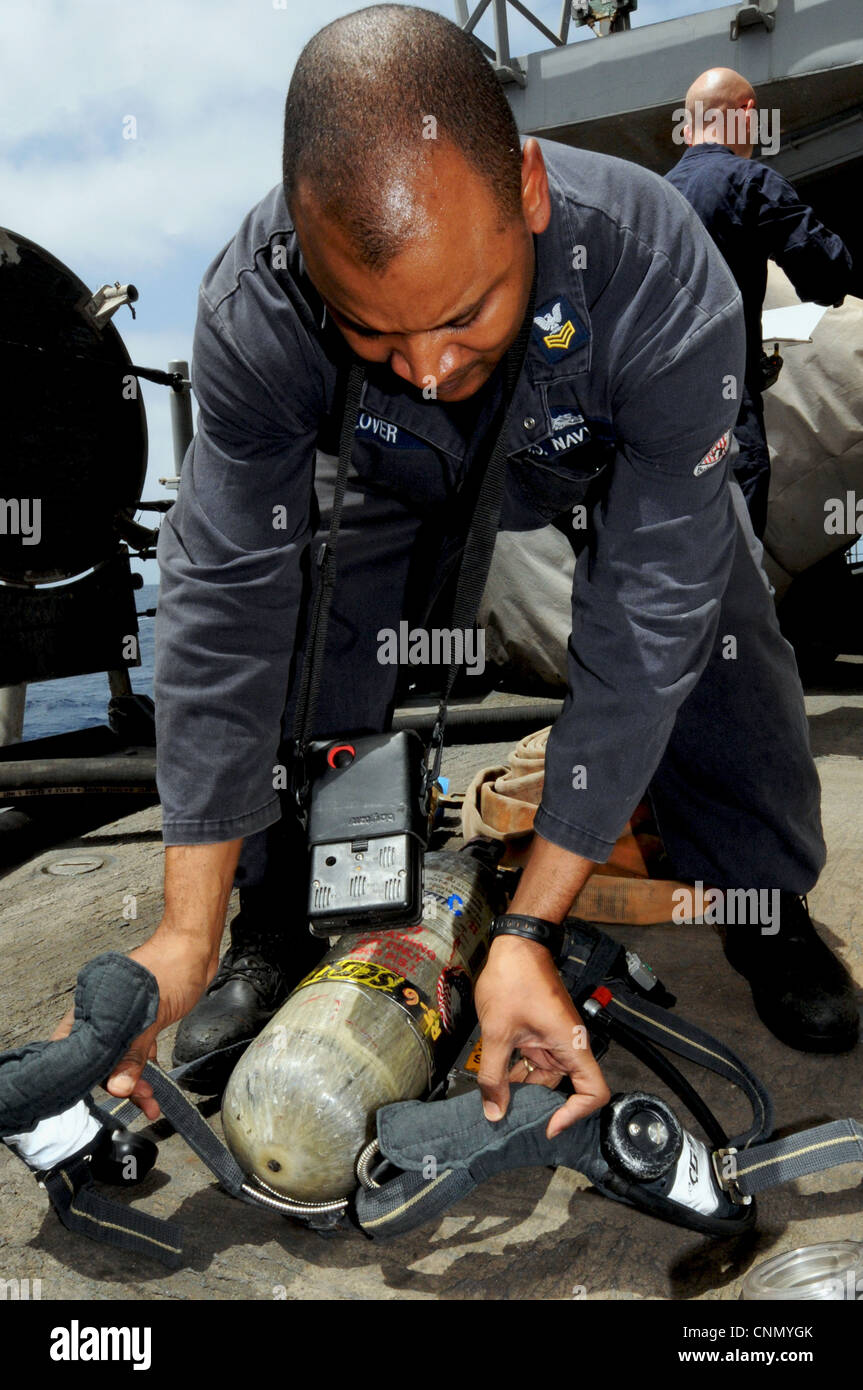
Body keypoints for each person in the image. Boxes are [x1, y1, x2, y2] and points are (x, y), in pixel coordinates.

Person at [92, 6, 857, 1134]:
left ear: (530, 193)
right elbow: (217, 606)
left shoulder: (652, 269)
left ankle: (759, 899)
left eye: (462, 315)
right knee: (303, 596)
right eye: (376, 333)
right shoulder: (255, 306)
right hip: (385, 474)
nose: (432, 368)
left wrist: (530, 932)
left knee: (716, 616)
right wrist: (181, 925)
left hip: (588, 455)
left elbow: (645, 622)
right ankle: (271, 913)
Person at [665, 66, 854, 540]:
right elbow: (827, 275)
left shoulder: (649, 199)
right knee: (735, 563)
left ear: (688, 127)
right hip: (725, 410)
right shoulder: (751, 183)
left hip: (649, 423)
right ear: (748, 115)